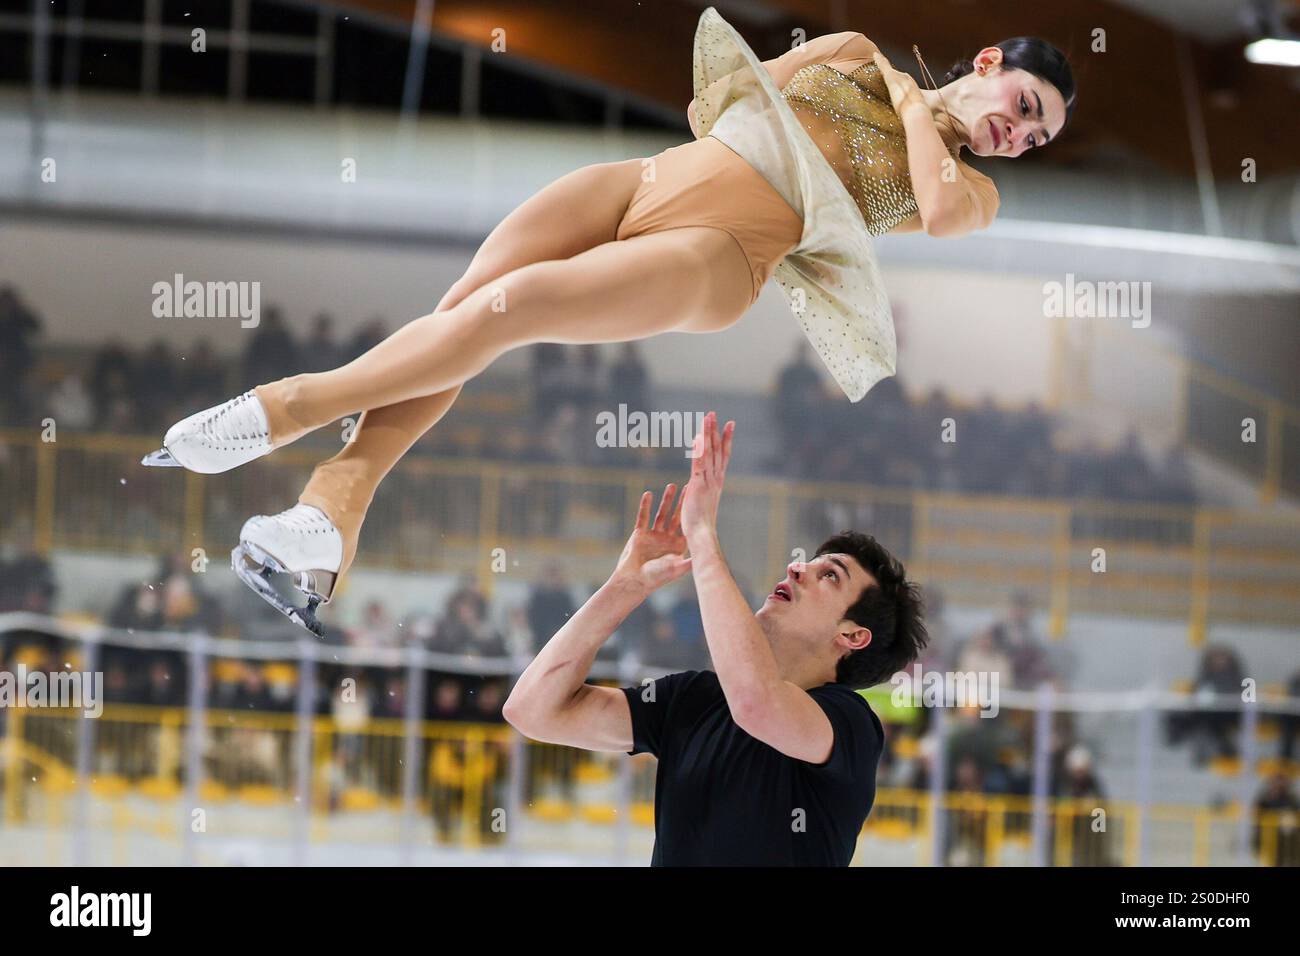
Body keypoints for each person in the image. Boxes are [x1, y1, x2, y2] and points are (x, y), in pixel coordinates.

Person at [142, 7, 1074, 634]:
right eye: (1024, 107)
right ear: (991, 64)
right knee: (460, 318)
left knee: (509, 312)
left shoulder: (970, 187)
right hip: (648, 182)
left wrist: (917, 105)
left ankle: (284, 406)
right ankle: (322, 524)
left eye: (1036, 138)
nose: (1018, 134)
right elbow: (722, 102)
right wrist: (884, 87)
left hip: (721, 255)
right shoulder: (852, 47)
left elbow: (942, 212)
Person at [503, 412, 927, 865]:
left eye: (829, 575)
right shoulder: (691, 698)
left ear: (853, 636)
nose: (797, 567)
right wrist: (624, 588)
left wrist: (702, 533)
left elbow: (756, 704)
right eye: (810, 562)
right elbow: (532, 711)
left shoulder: (851, 725)